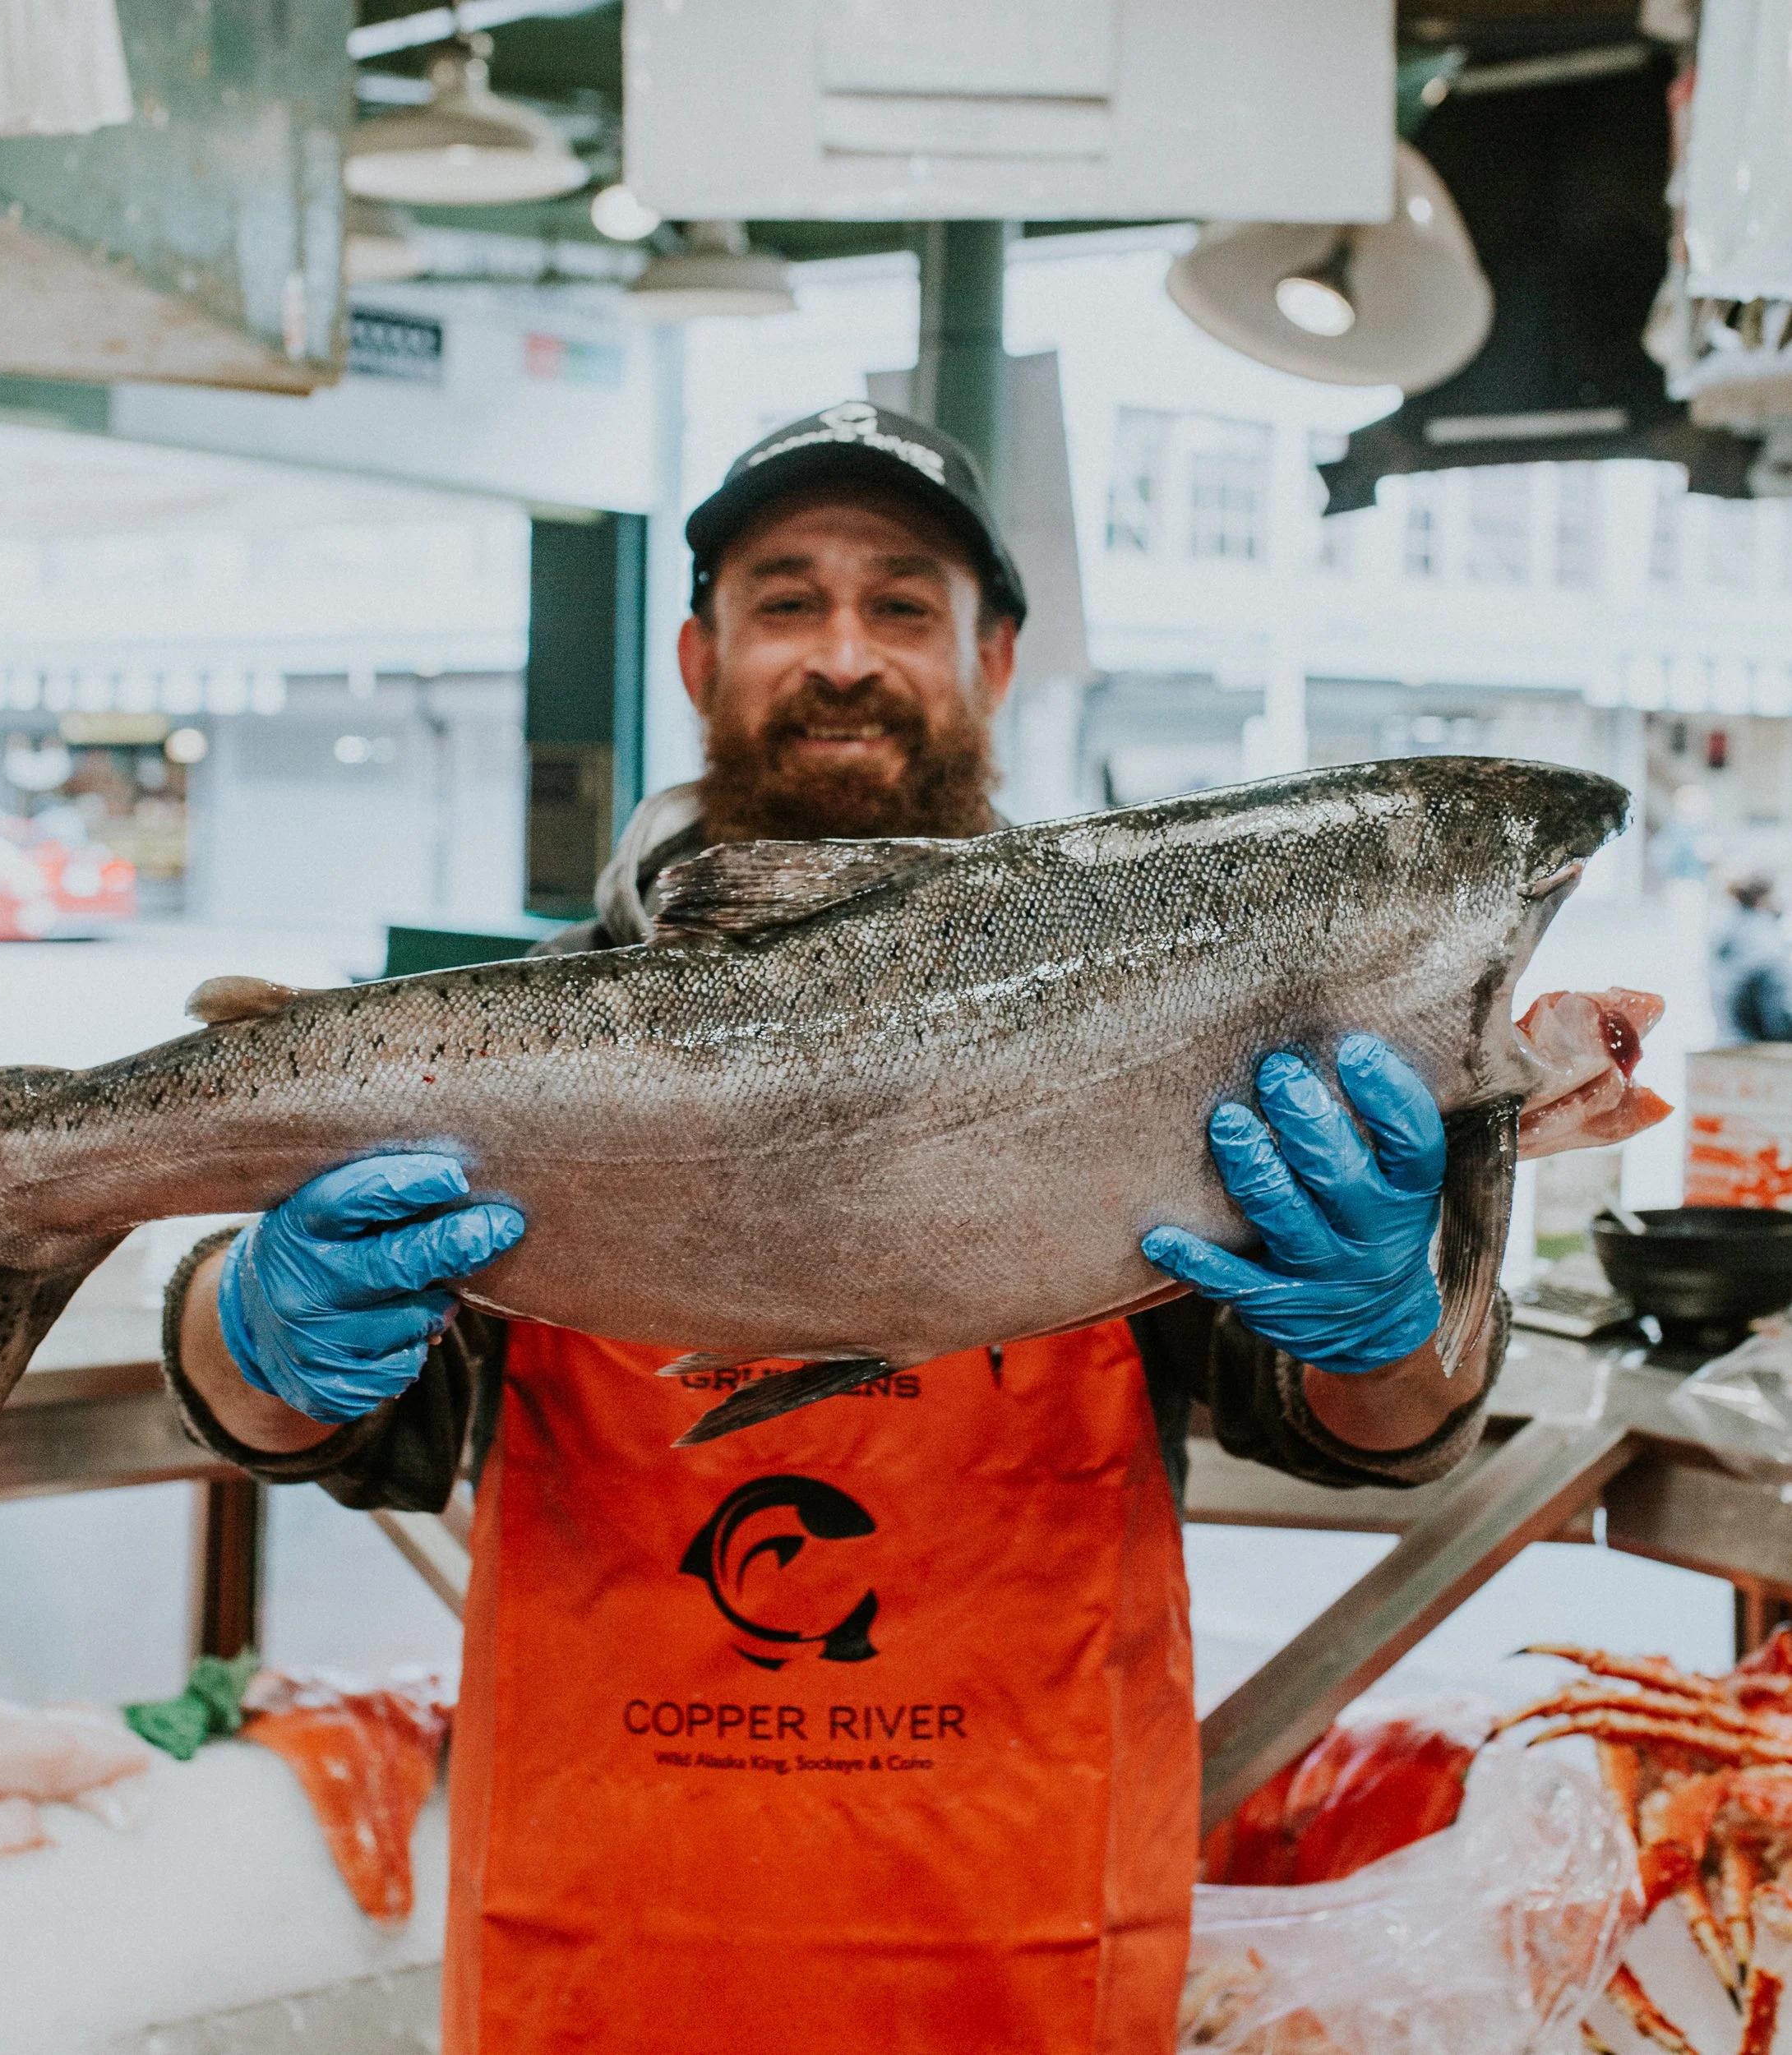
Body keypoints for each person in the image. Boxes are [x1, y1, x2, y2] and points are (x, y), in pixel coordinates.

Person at [161, 402, 1506, 2054]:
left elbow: (1371, 1430)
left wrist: (1397, 1318)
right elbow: (331, 1427)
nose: (842, 653)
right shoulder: (524, 1040)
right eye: (785, 600)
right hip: (609, 1956)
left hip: (1020, 1952)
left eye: (901, 601)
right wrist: (245, 1321)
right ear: (695, 652)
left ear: (993, 657)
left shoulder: (1166, 1025)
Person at [1711, 873, 1792, 1043]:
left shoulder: (1729, 931)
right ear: (1763, 900)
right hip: (1757, 1050)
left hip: (1727, 1041)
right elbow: (1777, 1023)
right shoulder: (1765, 942)